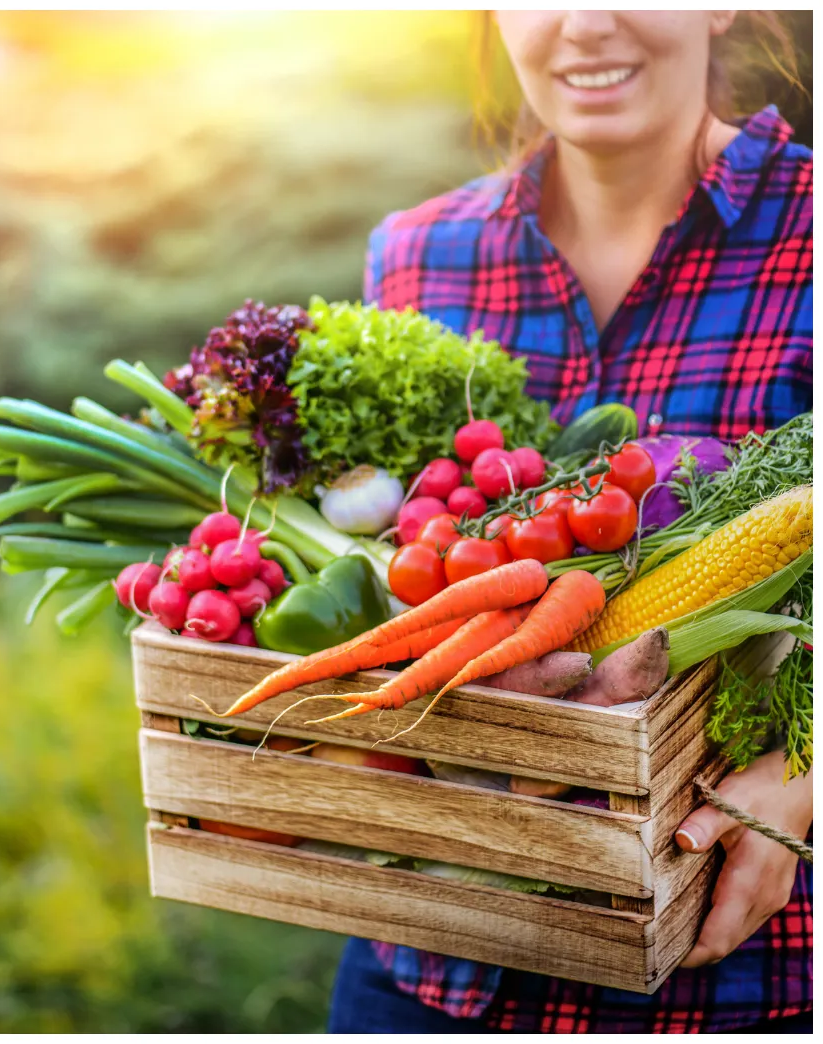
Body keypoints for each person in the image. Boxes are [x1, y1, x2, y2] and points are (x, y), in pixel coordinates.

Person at [328, 11, 812, 1034]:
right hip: (436, 963)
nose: (586, 21)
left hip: (732, 969)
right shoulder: (418, 257)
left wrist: (801, 776)